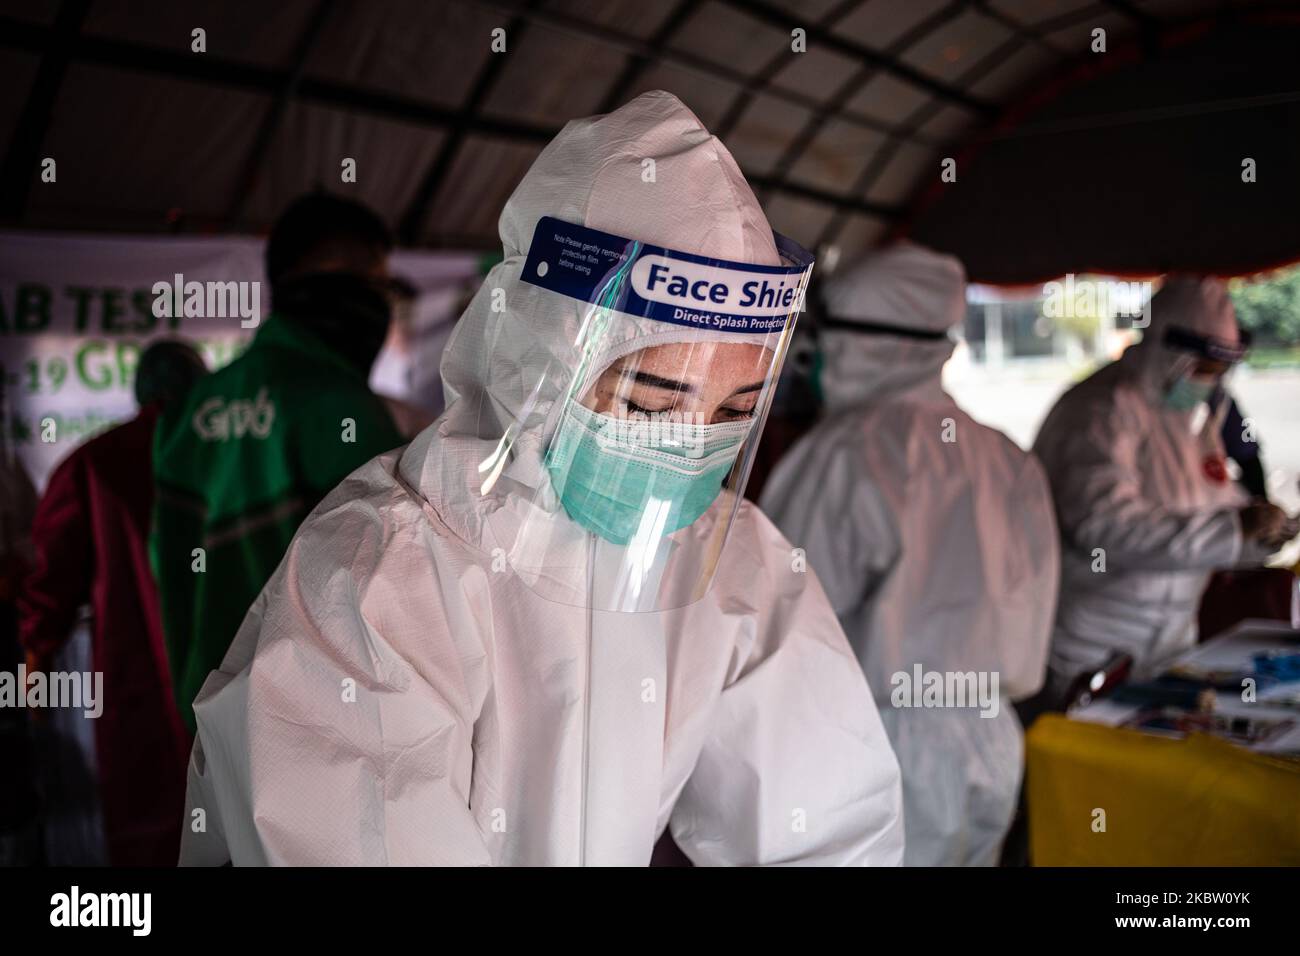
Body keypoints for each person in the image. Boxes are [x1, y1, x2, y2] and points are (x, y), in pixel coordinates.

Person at [179, 90, 903, 866]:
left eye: (736, 410)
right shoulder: (376, 576)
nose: (692, 450)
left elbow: (833, 828)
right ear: (542, 364)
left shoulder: (732, 561)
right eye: (651, 402)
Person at [760, 242, 1060, 866]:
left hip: (885, 737)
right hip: (993, 734)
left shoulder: (843, 453)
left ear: (862, 342)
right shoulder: (1006, 457)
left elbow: (785, 623)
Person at [152, 193, 407, 732]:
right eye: (375, 283)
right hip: (319, 728)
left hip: (209, 722)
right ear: (330, 282)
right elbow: (393, 591)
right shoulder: (342, 407)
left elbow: (169, 572)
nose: (380, 304)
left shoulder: (188, 412)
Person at [1033, 276, 1297, 702]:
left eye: (1217, 372)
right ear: (1169, 351)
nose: (1209, 383)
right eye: (1203, 370)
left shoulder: (1187, 417)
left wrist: (1262, 532)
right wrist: (1233, 529)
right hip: (1096, 643)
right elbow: (1107, 527)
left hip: (1174, 641)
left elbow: (1210, 503)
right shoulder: (1099, 411)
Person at [19, 340, 207, 866]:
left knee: (150, 819)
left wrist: (35, 661)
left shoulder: (95, 463)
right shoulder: (232, 451)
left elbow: (49, 581)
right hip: (235, 669)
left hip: (136, 674)